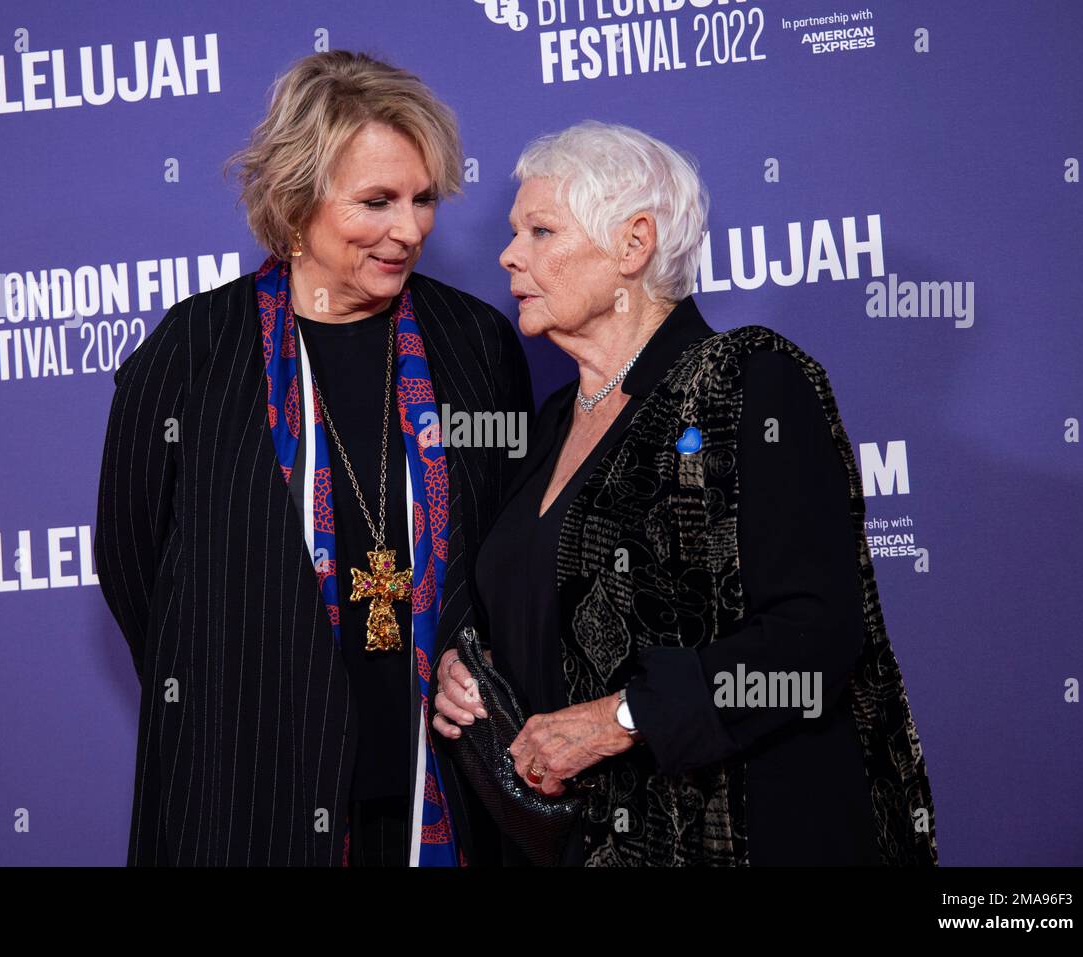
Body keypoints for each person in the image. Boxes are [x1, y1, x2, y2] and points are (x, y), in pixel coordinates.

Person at [431, 120, 938, 866]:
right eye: (516, 232)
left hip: (736, 834)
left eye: (541, 230)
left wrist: (623, 717)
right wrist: (464, 671)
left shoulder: (748, 383)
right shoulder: (543, 430)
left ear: (634, 246)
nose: (509, 255)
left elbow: (815, 639)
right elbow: (526, 609)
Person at [94, 51, 532, 866]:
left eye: (422, 199)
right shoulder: (192, 354)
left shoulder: (475, 345)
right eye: (376, 201)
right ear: (296, 206)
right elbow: (133, 564)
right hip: (246, 788)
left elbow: (505, 552)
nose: (409, 229)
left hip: (440, 786)